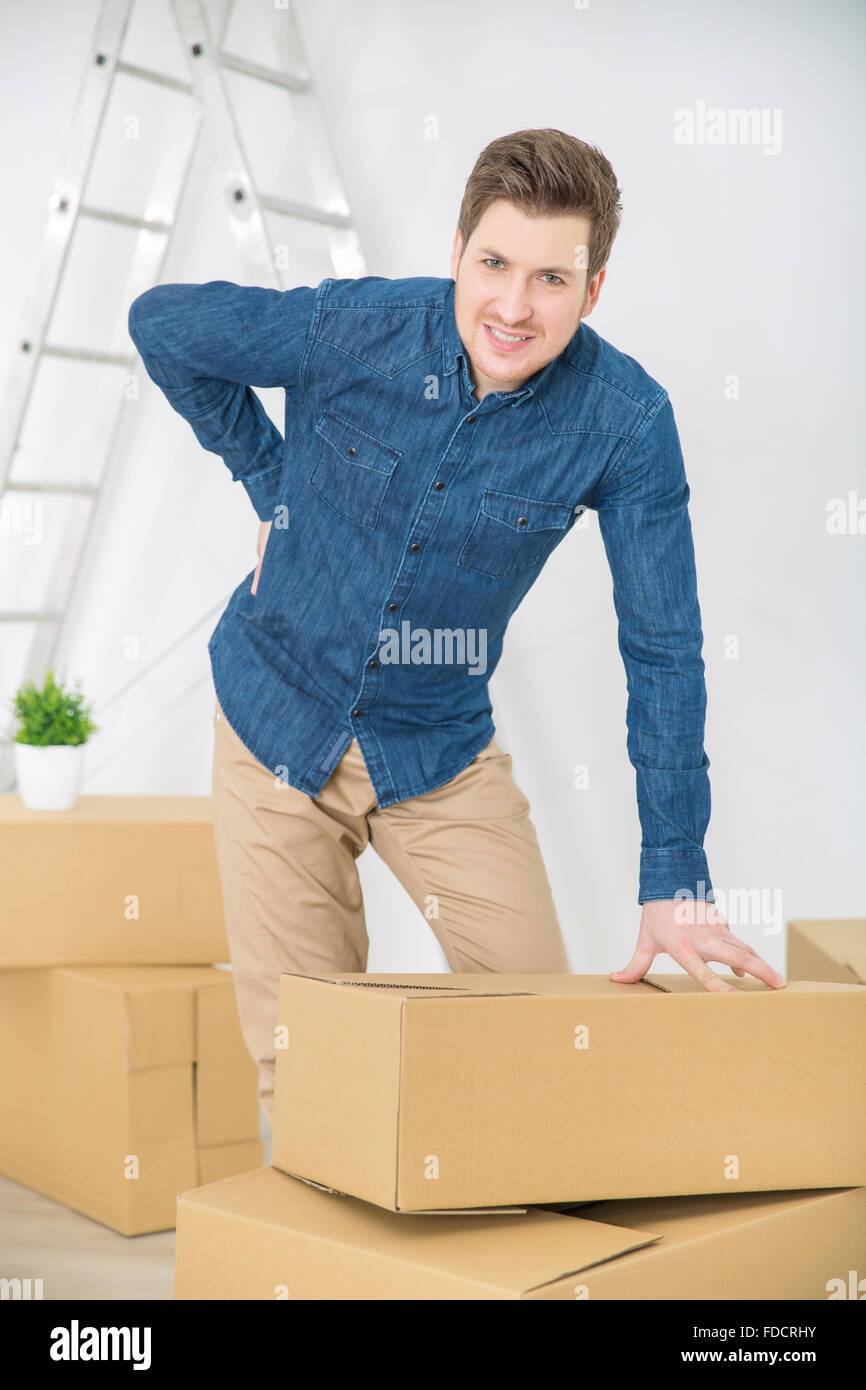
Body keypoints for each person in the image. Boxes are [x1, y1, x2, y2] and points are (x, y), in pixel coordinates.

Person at [128, 128, 784, 1120]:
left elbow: (663, 646)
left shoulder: (625, 420)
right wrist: (275, 489)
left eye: (551, 279)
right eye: (493, 264)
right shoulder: (353, 327)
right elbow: (163, 324)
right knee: (309, 1072)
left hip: (433, 751)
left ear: (592, 289)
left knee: (536, 1039)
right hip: (273, 717)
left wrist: (674, 876)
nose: (513, 307)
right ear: (456, 252)